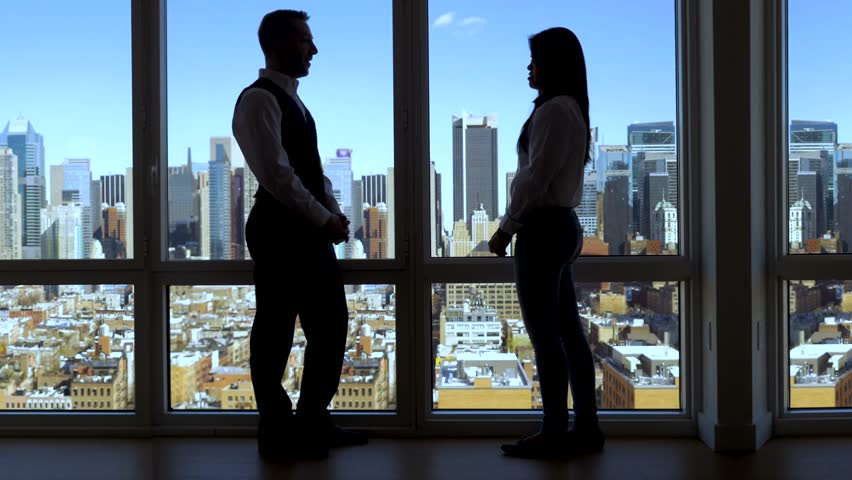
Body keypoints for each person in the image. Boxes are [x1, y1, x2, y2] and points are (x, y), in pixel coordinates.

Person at [232, 9, 367, 462]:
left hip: (303, 230)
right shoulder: (257, 99)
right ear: (279, 44)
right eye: (306, 40)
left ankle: (311, 420)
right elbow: (277, 175)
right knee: (275, 330)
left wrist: (332, 212)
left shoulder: (295, 103)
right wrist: (322, 218)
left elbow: (311, 171)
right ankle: (275, 429)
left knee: (330, 324)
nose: (314, 49)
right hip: (279, 230)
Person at [488, 27, 606, 459]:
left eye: (534, 59)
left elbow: (535, 179)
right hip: (561, 226)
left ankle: (555, 430)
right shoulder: (570, 108)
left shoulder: (555, 111)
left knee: (545, 336)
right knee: (569, 334)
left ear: (551, 65)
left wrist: (506, 228)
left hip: (542, 229)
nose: (528, 68)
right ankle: (586, 427)